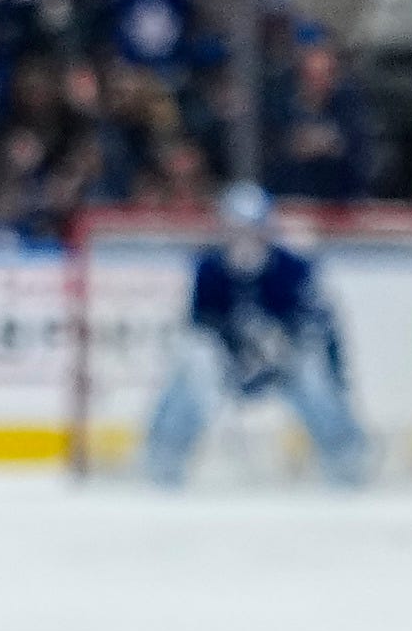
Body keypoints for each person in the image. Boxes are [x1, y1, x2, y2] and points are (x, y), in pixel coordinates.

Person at [142, 184, 368, 487]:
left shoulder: (294, 269)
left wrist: (286, 346)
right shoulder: (208, 270)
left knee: (313, 374)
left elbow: (320, 329)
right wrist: (235, 347)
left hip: (284, 363)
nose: (244, 240)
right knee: (193, 360)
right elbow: (199, 326)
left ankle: (347, 459)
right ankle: (164, 457)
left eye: (252, 230)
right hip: (229, 361)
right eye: (236, 231)